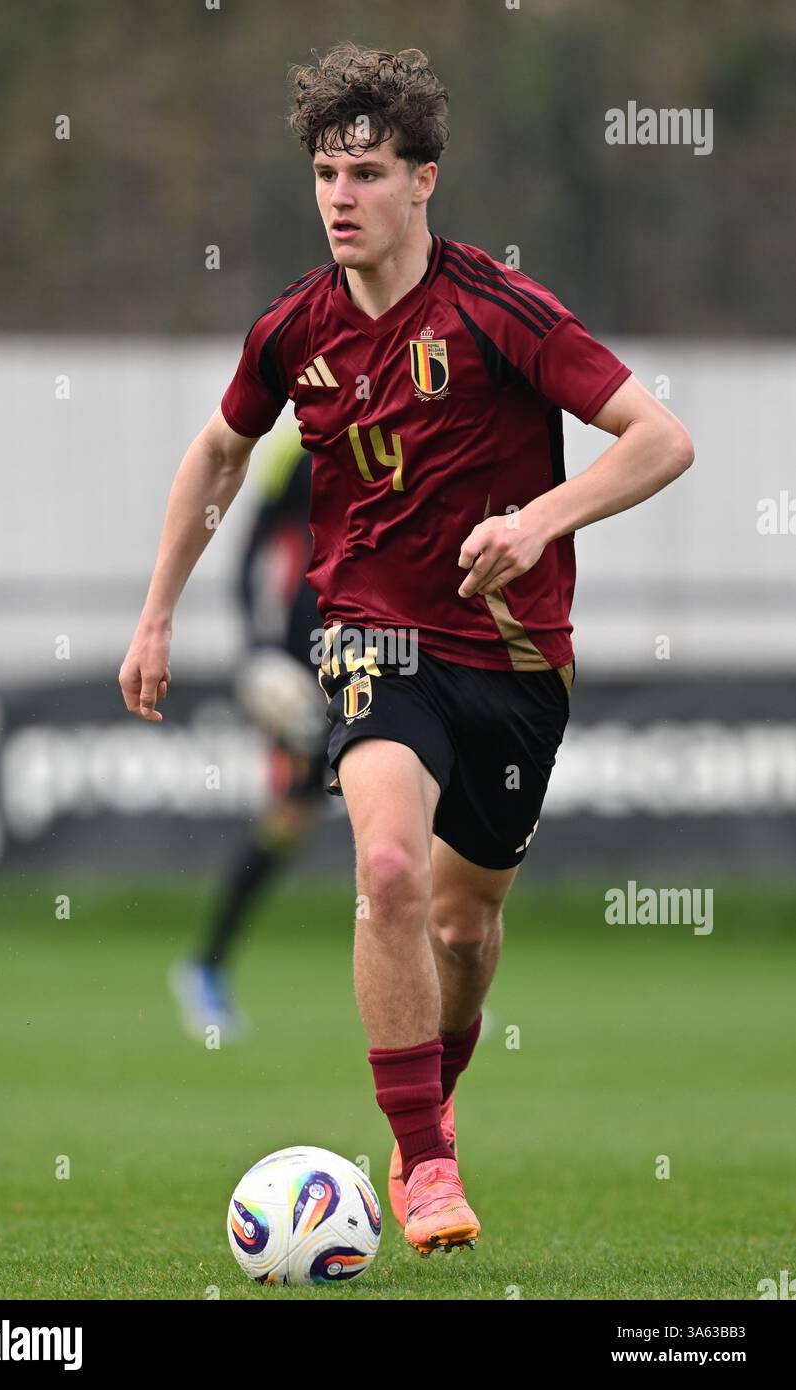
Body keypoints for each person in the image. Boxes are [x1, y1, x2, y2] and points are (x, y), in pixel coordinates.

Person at [119, 42, 694, 1259]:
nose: (340, 196)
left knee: (462, 930)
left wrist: (539, 519)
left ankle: (431, 1099)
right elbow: (220, 455)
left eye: (367, 172)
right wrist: (158, 611)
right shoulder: (293, 329)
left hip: (517, 662)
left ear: (422, 181)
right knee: (383, 866)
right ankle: (426, 1159)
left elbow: (660, 439)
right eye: (326, 171)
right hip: (371, 633)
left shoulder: (499, 310)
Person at [169, 427, 328, 1042]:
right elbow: (256, 553)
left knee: (409, 817)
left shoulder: (410, 419)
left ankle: (442, 989)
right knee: (291, 815)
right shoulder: (300, 444)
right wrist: (259, 652)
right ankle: (206, 966)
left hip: (380, 654)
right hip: (302, 663)